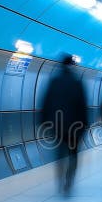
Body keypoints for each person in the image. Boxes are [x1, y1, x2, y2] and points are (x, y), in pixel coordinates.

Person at [42, 54, 87, 191]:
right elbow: (82, 106)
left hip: (58, 125)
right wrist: (84, 125)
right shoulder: (77, 82)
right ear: (72, 65)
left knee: (60, 153)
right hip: (75, 126)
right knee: (73, 153)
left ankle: (60, 179)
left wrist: (44, 122)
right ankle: (69, 178)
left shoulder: (54, 81)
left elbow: (46, 102)